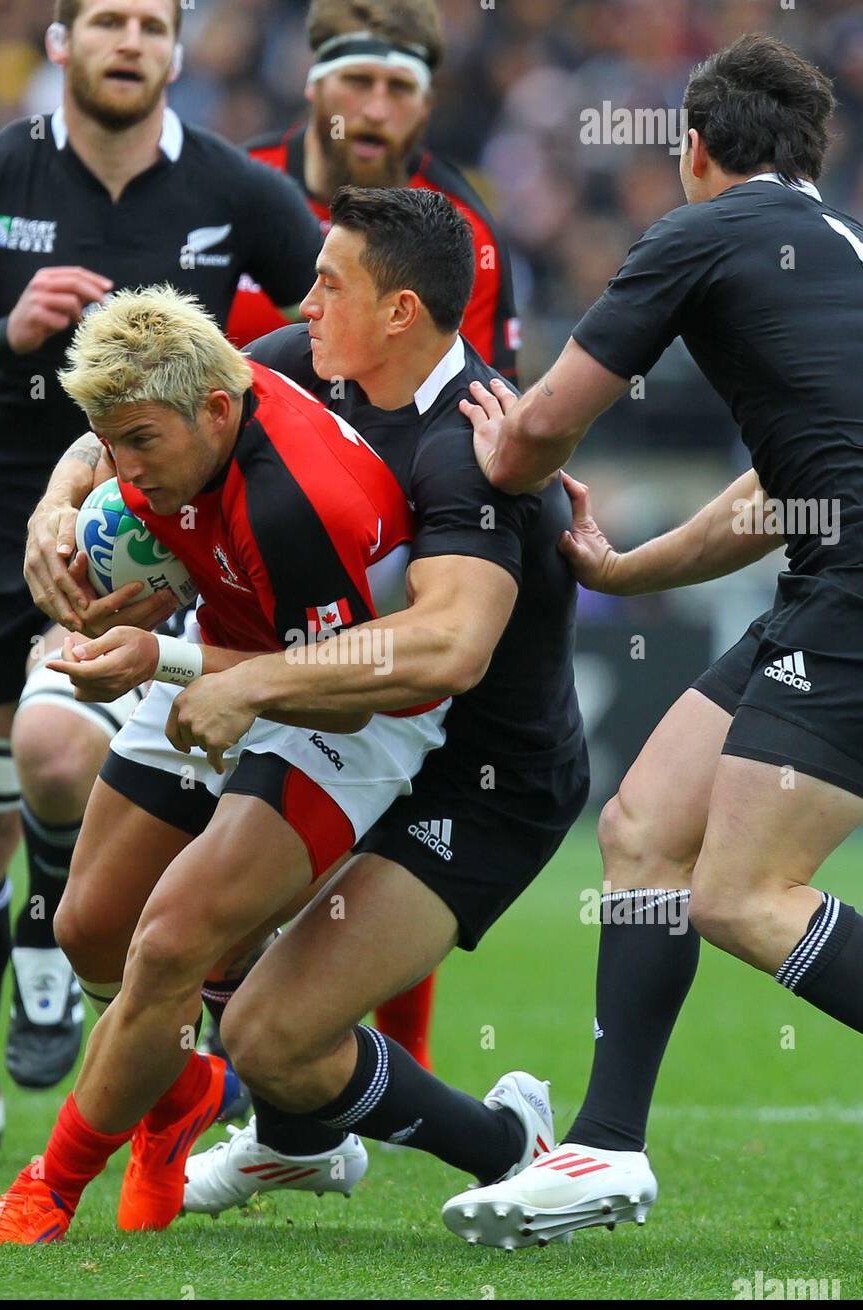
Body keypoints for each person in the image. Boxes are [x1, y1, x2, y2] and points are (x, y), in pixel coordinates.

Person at [31, 188, 586, 1215]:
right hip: (319, 693)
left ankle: (509, 1142)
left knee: (272, 1028)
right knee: (104, 925)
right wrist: (62, 495)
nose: (304, 298)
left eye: (329, 283)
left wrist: (220, 676)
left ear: (401, 313)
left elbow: (448, 648)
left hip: (478, 773)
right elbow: (151, 396)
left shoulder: (480, 444)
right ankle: (285, 1138)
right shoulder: (300, 359)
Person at [0, 0, 320, 1165]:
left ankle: (60, 943)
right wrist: (0, 332)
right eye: (105, 20)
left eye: (150, 23)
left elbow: (332, 322)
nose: (128, 41)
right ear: (63, 42)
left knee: (61, 758)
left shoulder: (235, 190)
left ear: (177, 49)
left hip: (163, 554)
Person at [439, 33, 863, 1249]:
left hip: (853, 589)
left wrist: (479, 442)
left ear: (691, 149)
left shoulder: (699, 232)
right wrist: (624, 568)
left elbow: (528, 443)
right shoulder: (826, 253)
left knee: (742, 893)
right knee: (644, 828)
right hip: (827, 575)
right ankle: (605, 1149)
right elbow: (778, 492)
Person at [0, 282, 454, 1244]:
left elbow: (329, 680)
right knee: (91, 928)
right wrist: (52, 509)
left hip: (348, 712)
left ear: (216, 412)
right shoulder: (186, 407)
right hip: (220, 655)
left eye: (144, 443)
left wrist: (165, 658)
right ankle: (181, 1090)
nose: (127, 470)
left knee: (171, 944)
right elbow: (98, 443)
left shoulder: (296, 506)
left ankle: (47, 1193)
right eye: (117, 441)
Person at [228, 0, 522, 1066]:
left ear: (427, 102)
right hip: (223, 515)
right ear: (315, 86)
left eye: (400, 87)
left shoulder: (461, 229)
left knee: (361, 760)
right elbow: (209, 366)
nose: (376, 104)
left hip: (377, 538)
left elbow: (469, 397)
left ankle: (370, 1056)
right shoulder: (240, 187)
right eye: (359, 80)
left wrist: (514, 474)